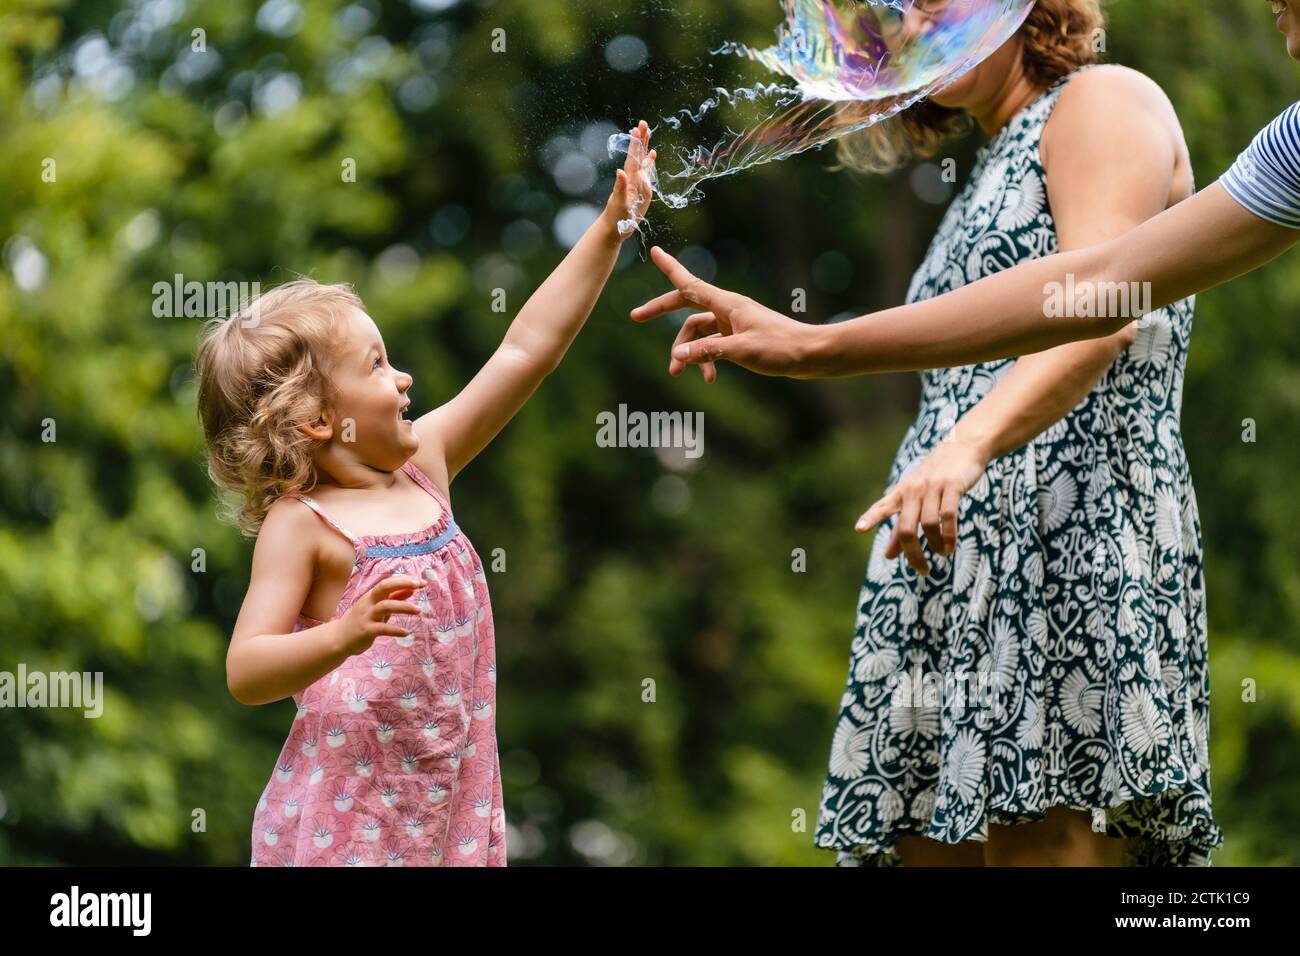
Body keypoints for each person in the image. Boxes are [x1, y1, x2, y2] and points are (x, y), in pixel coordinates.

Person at [195, 124, 655, 866]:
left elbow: (525, 350)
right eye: (377, 366)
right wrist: (341, 636)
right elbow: (247, 670)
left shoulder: (425, 468)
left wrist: (611, 225)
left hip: (448, 814)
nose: (402, 378)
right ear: (318, 419)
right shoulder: (304, 526)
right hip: (343, 832)